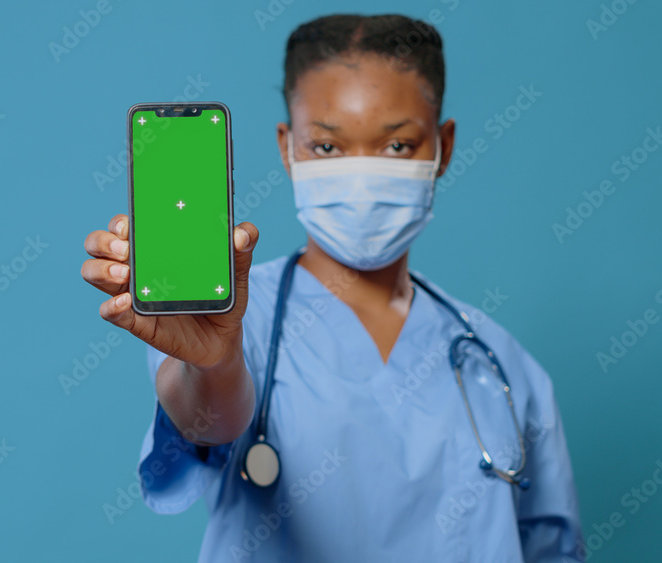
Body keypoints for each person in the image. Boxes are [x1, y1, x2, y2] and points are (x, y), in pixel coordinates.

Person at [81, 13, 582, 562]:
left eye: (397, 147)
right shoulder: (226, 319)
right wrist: (216, 363)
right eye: (326, 147)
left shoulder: (504, 366)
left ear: (443, 147)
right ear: (287, 148)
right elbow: (214, 416)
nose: (362, 174)